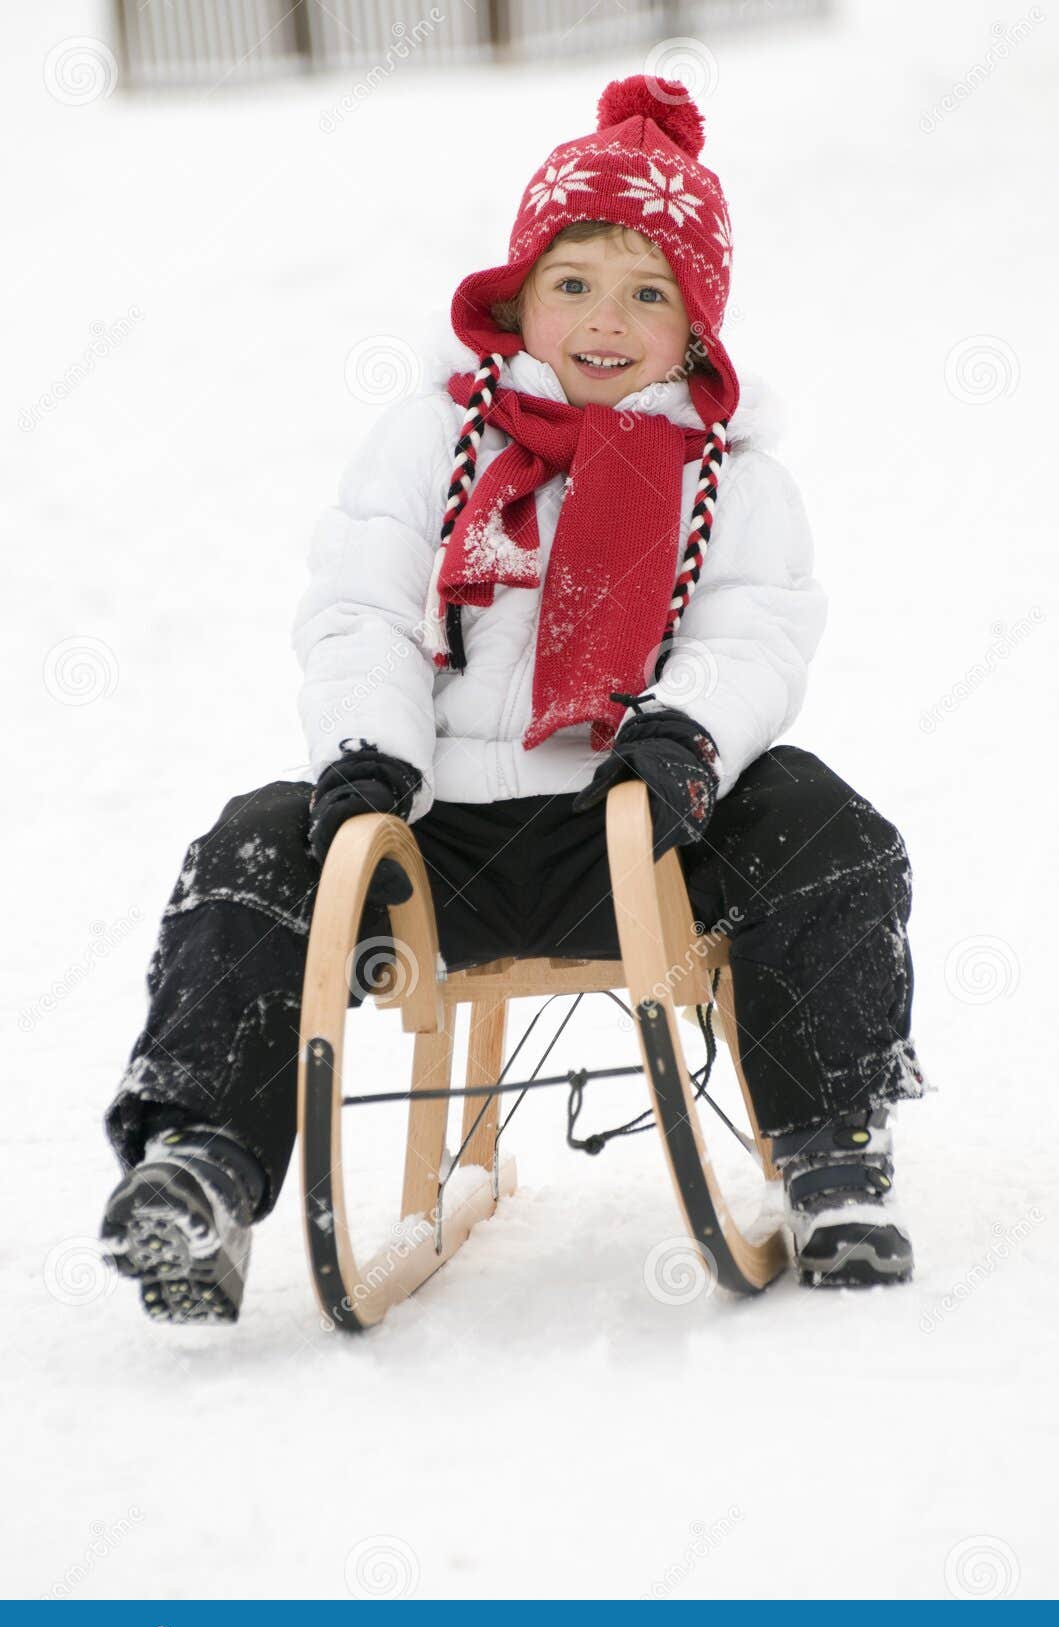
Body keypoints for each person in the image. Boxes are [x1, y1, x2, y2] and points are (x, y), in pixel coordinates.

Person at [99, 75, 927, 1324]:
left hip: (642, 837)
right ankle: (202, 1162)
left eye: (650, 294)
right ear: (520, 295)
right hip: (436, 846)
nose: (607, 320)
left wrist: (682, 738)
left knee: (825, 823)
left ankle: (829, 1150)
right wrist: (368, 756)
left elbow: (755, 632)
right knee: (252, 842)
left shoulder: (731, 482)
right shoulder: (436, 442)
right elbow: (363, 609)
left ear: (697, 327)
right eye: (575, 283)